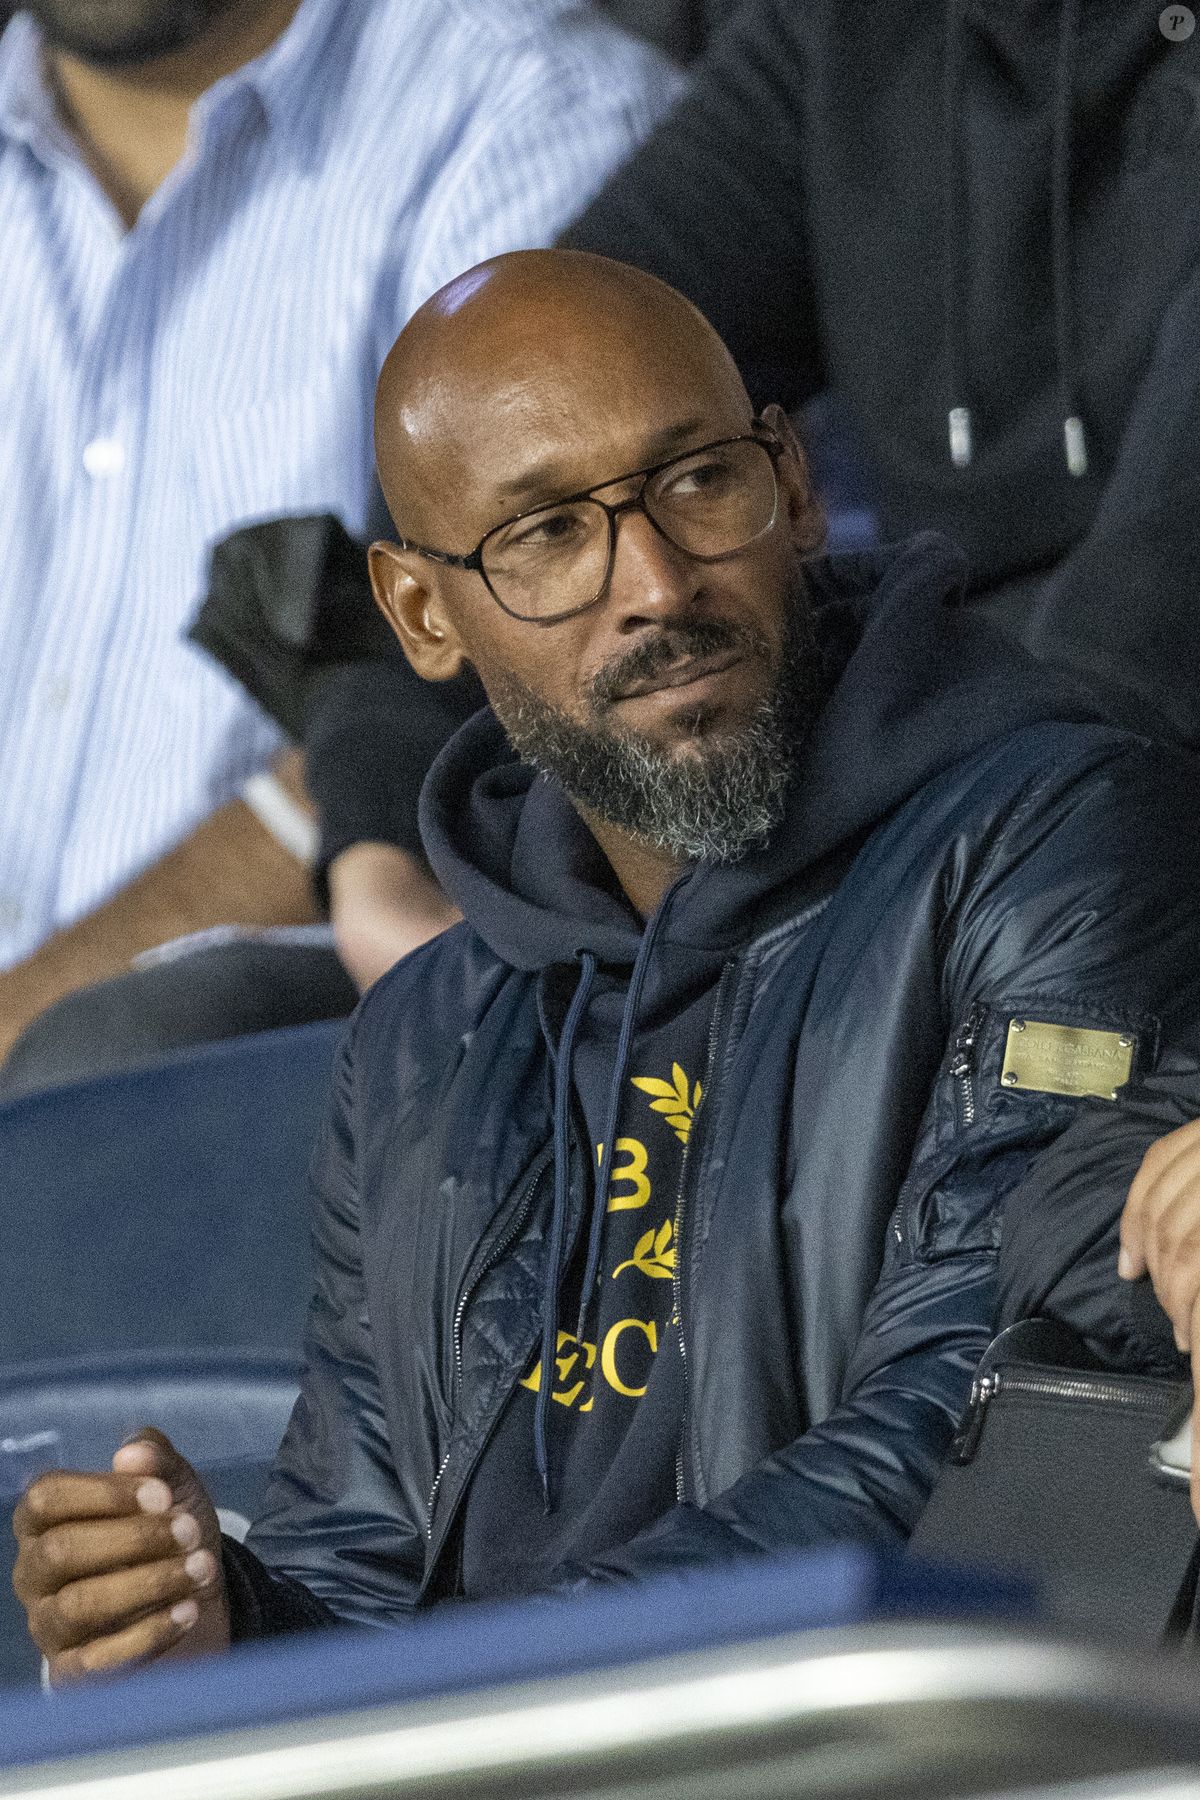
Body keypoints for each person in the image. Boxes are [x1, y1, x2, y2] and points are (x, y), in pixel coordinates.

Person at [13, 251, 1200, 1681]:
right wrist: (221, 1626)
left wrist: (453, 1696)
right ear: (421, 614)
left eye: (700, 480)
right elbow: (367, 1552)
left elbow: (977, 1418)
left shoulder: (1051, 831)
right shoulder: (422, 1037)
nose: (653, 583)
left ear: (796, 482)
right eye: (548, 533)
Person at [317, 0, 1200, 989]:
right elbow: (490, 413)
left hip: (1064, 825)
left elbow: (1154, 623)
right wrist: (371, 838)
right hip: (909, 819)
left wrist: (925, 882)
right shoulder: (850, 33)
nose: (650, 579)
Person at [0, 0, 678, 1066]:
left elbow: (498, 679)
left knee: (110, 1054)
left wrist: (17, 1019)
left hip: (305, 1047)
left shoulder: (524, 114)